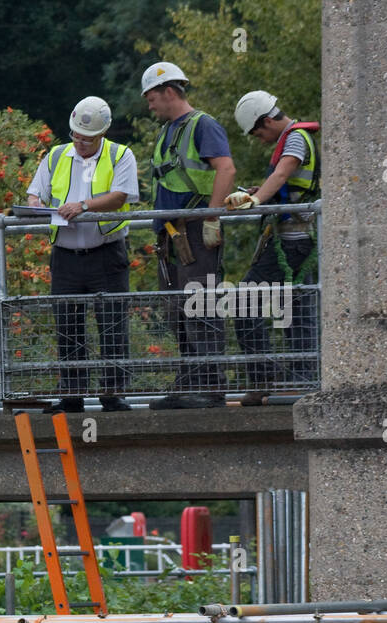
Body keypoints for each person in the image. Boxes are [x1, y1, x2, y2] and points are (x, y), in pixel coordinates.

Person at [27, 95, 140, 412]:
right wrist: (36, 207)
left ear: (102, 134)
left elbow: (120, 196)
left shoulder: (121, 155)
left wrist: (84, 206)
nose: (80, 143)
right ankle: (72, 396)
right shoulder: (56, 155)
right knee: (67, 325)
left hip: (106, 253)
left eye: (87, 139)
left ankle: (113, 394)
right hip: (65, 255)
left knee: (112, 324)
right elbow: (35, 194)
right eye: (76, 135)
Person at [141, 61, 237, 409]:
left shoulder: (202, 125)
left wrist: (211, 215)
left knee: (201, 307)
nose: (148, 104)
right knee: (177, 311)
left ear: (169, 92)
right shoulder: (168, 131)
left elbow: (225, 168)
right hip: (172, 236)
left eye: (151, 96)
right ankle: (189, 383)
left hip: (196, 232)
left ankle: (211, 389)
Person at [227, 90, 320, 404]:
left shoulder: (295, 140)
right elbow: (284, 184)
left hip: (293, 243)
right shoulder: (294, 137)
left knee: (244, 300)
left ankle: (267, 379)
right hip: (294, 241)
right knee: (296, 309)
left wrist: (255, 200)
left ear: (268, 121)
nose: (260, 139)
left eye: (258, 132)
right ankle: (298, 380)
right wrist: (258, 193)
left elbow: (282, 174)